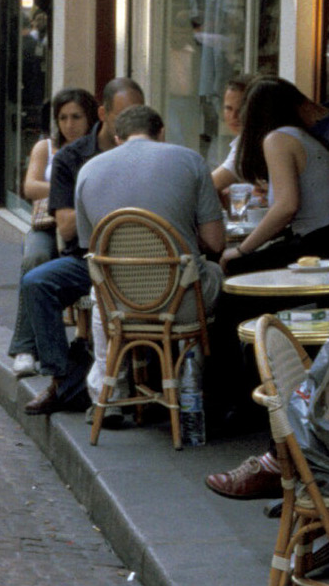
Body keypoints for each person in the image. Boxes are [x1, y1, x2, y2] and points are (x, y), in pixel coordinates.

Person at [73, 102, 227, 398]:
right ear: (161, 133)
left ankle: (111, 389)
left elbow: (90, 245)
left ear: (118, 139)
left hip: (119, 306)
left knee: (97, 289)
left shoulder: (88, 171)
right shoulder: (190, 160)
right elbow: (216, 242)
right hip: (180, 304)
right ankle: (194, 384)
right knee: (216, 273)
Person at [17, 77, 144, 415]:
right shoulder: (71, 158)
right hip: (87, 258)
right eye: (123, 118)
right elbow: (67, 226)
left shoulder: (147, 153)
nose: (133, 128)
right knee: (37, 282)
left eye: (138, 117)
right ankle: (61, 380)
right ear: (104, 114)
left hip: (139, 260)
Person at [219, 77, 329, 274]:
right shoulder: (298, 135)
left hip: (323, 245)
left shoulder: (278, 139)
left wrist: (241, 250)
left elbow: (287, 207)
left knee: (235, 268)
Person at [8, 86, 96, 377]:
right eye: (63, 118)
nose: (69, 125)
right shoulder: (45, 148)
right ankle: (25, 346)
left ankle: (81, 344)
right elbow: (30, 187)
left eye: (76, 117)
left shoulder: (98, 149)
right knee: (35, 259)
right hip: (46, 225)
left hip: (82, 229)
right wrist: (68, 189)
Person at [209, 75, 252, 199]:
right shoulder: (243, 140)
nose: (234, 116)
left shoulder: (249, 144)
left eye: (241, 109)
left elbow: (210, 185)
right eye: (228, 108)